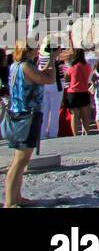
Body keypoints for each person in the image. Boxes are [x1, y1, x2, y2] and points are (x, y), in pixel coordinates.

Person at [6, 41, 57, 207]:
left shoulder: (19, 65)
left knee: (21, 159)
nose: (38, 50)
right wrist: (52, 59)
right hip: (25, 115)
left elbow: (40, 76)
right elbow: (48, 79)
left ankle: (16, 197)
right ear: (29, 50)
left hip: (21, 114)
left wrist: (50, 59)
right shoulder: (25, 66)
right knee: (20, 160)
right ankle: (10, 201)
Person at [61, 48, 94, 136]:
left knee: (74, 115)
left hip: (73, 92)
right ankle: (87, 132)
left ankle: (75, 134)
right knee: (85, 115)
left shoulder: (73, 67)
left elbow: (67, 77)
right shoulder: (87, 66)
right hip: (84, 91)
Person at [37, 36, 63, 139]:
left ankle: (42, 134)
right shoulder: (56, 56)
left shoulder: (41, 56)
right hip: (56, 83)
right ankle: (53, 133)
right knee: (55, 110)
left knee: (44, 109)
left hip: (44, 83)